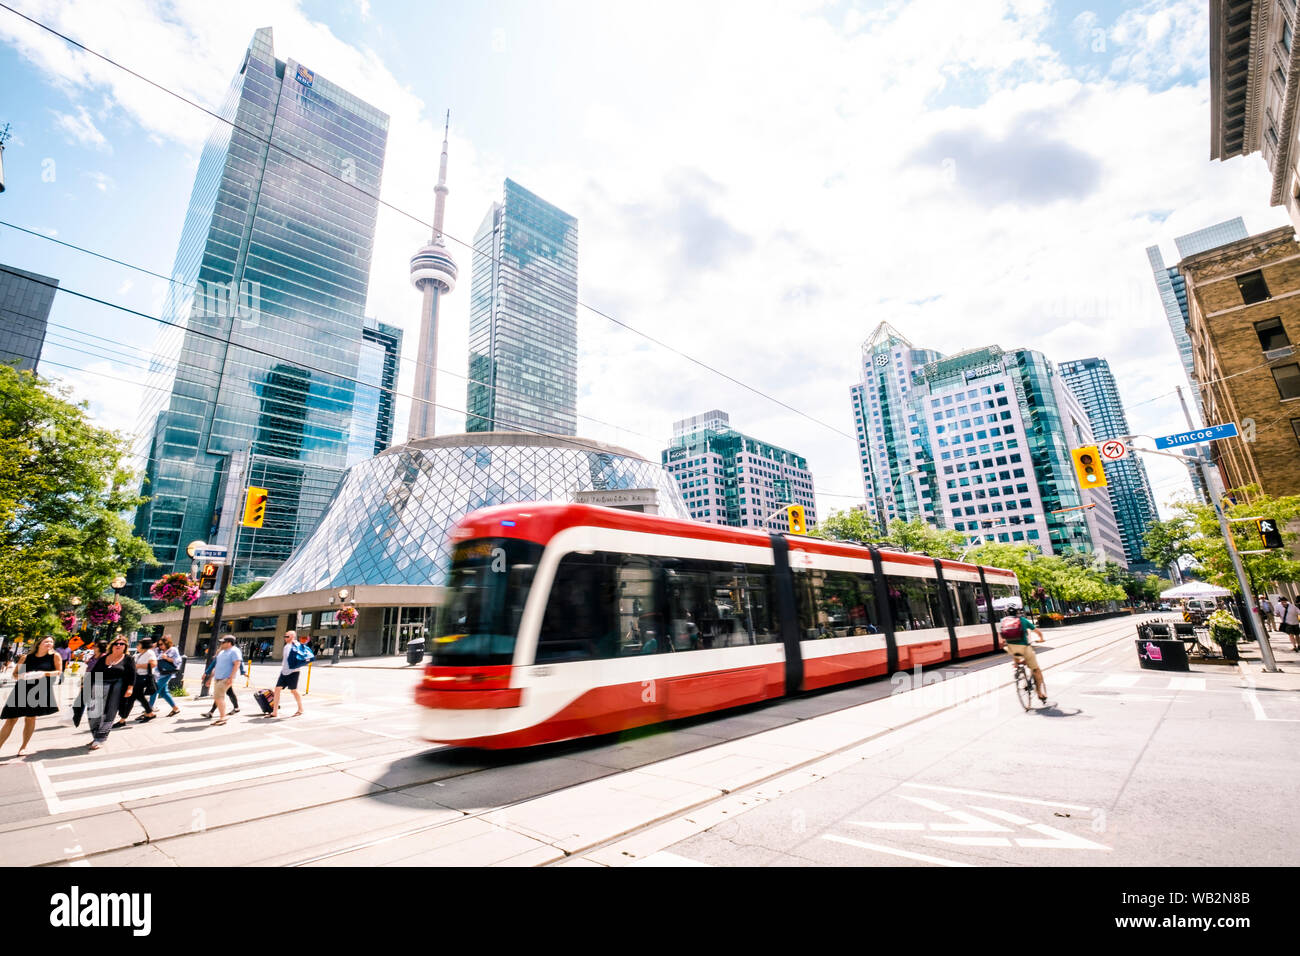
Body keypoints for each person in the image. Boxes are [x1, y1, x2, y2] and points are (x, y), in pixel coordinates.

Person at [0, 636, 62, 757]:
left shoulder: (54, 656)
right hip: (22, 690)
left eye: (51, 642)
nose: (49, 643)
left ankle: (23, 747)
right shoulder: (26, 657)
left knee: (30, 718)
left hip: (40, 690)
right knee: (11, 719)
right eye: (46, 641)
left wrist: (43, 673)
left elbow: (58, 671)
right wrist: (24, 676)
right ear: (39, 644)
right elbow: (15, 674)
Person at [84, 638, 134, 750]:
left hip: (115, 690)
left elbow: (132, 674)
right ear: (112, 645)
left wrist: (130, 688)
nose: (119, 645)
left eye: (122, 644)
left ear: (125, 646)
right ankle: (96, 736)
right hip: (97, 688)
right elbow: (94, 673)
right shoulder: (104, 658)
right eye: (116, 643)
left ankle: (100, 739)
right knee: (93, 712)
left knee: (108, 713)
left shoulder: (128, 659)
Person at [999, 605, 1048, 704]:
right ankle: (1039, 692)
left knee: (1015, 654)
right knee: (1036, 669)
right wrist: (1041, 638)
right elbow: (1037, 632)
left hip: (1011, 648)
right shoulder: (1023, 620)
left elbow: (1003, 636)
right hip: (1024, 648)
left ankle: (1017, 667)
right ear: (1018, 612)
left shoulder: (1003, 621)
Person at [268, 631, 309, 718]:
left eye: (287, 636)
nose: (285, 637)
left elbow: (302, 656)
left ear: (292, 637)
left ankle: (301, 709)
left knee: (293, 690)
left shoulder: (297, 645)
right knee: (277, 689)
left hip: (293, 672)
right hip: (284, 671)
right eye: (285, 636)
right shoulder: (286, 646)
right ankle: (274, 711)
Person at [209, 637, 241, 726]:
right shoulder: (222, 652)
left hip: (225, 678)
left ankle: (223, 718)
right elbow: (217, 666)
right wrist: (210, 678)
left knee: (219, 697)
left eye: (223, 642)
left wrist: (231, 677)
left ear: (230, 643)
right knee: (217, 697)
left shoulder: (234, 651)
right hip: (217, 678)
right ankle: (222, 717)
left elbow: (237, 663)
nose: (221, 643)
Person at [149, 637, 182, 717]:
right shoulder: (158, 650)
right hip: (158, 673)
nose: (160, 646)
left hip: (167, 673)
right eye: (159, 644)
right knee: (164, 692)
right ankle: (175, 708)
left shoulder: (173, 649)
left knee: (154, 690)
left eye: (161, 644)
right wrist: (154, 645)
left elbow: (178, 661)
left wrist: (167, 658)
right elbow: (149, 650)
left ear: (167, 643)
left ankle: (148, 711)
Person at [128, 639, 159, 723]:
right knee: (139, 696)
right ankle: (149, 713)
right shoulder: (139, 654)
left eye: (139, 645)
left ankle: (149, 712)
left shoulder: (149, 653)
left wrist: (138, 666)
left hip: (144, 677)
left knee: (137, 695)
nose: (137, 646)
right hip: (138, 677)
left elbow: (153, 664)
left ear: (143, 646)